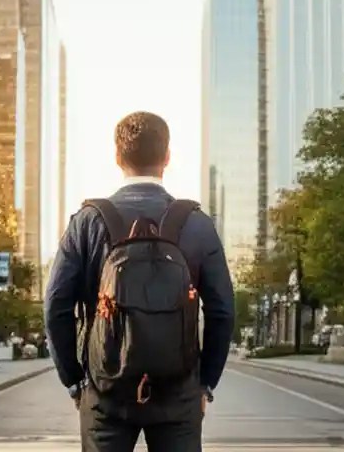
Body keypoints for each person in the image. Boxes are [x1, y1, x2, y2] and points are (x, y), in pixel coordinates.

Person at [45, 111, 235, 452]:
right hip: (178, 394)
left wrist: (74, 381)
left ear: (117, 157)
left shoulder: (87, 222)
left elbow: (56, 305)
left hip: (105, 393)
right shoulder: (197, 224)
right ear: (167, 157)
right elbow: (222, 310)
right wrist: (205, 384)